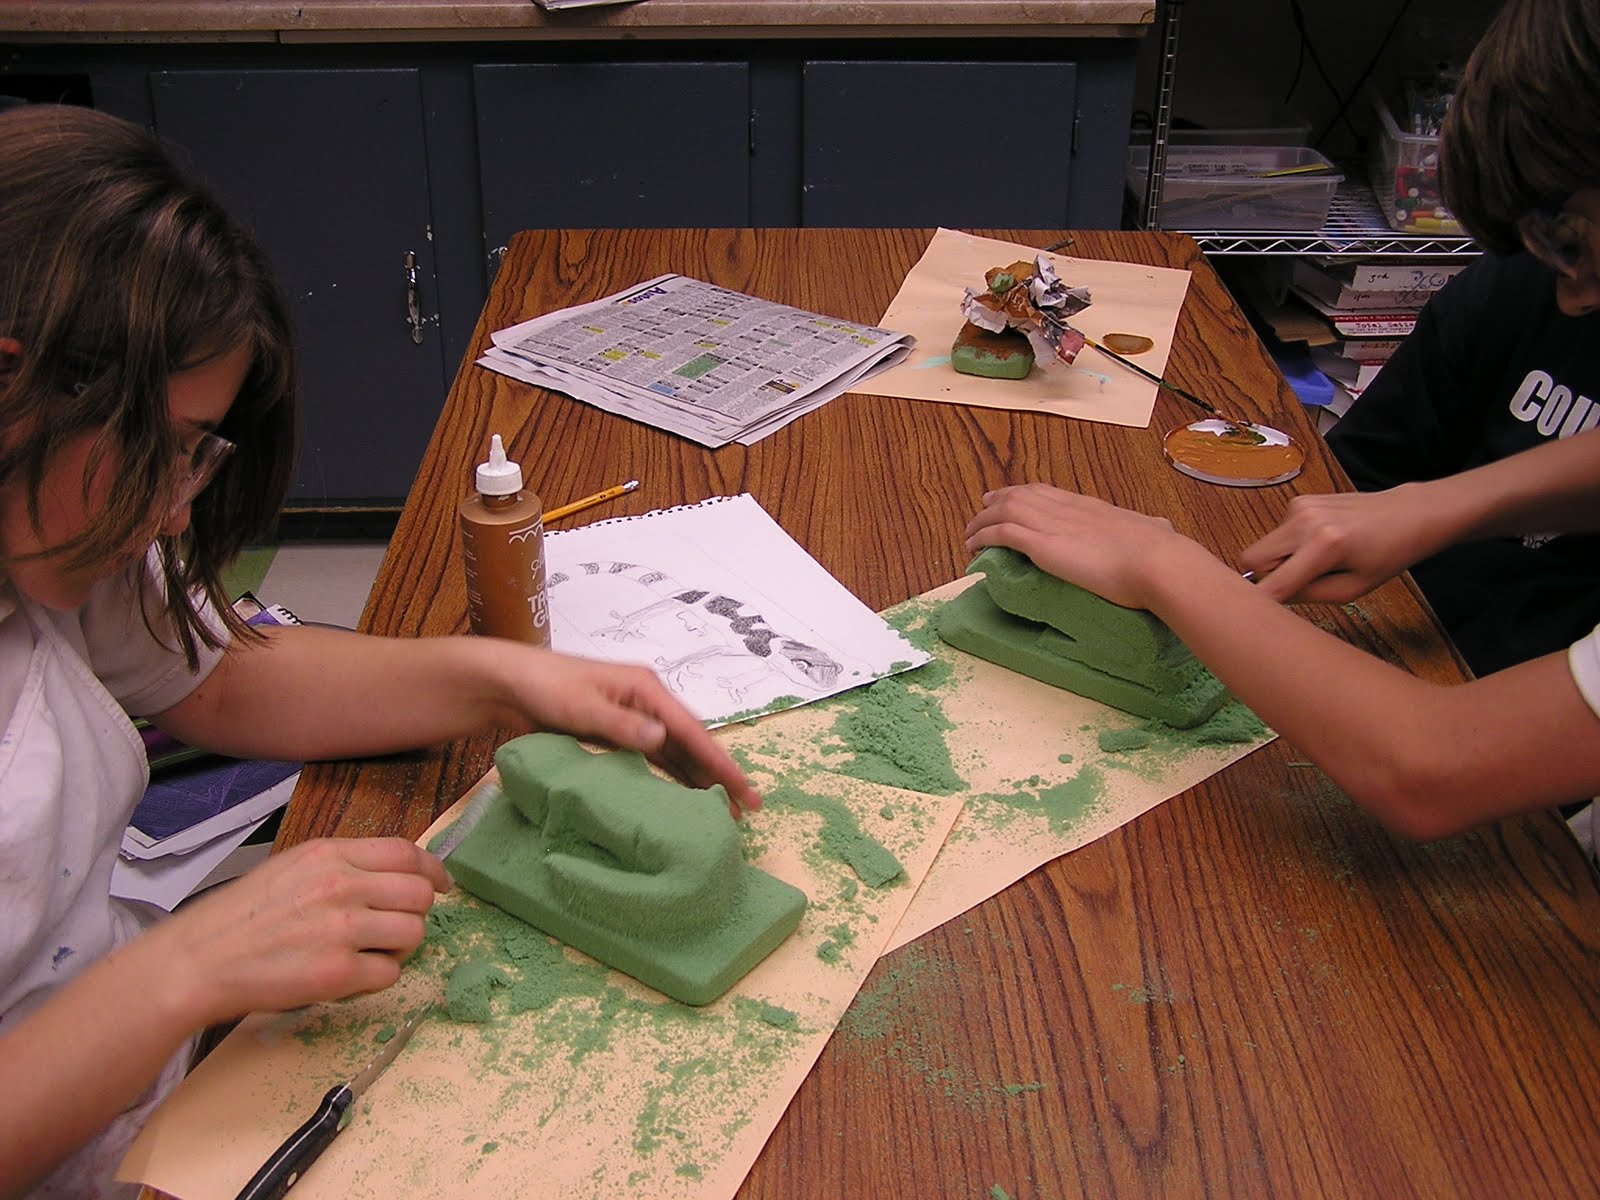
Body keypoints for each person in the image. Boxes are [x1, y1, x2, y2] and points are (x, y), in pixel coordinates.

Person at [0, 105, 759, 1199]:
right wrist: (186, 970)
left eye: (194, 457)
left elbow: (225, 683)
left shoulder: (46, 534)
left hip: (153, 1072)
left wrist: (505, 676)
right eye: (162, 450)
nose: (175, 515)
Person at [965, 0, 1600, 844]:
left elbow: (1430, 767)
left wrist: (1163, 564)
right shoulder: (1522, 298)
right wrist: (1441, 505)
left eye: (1579, 244)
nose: (1573, 296)